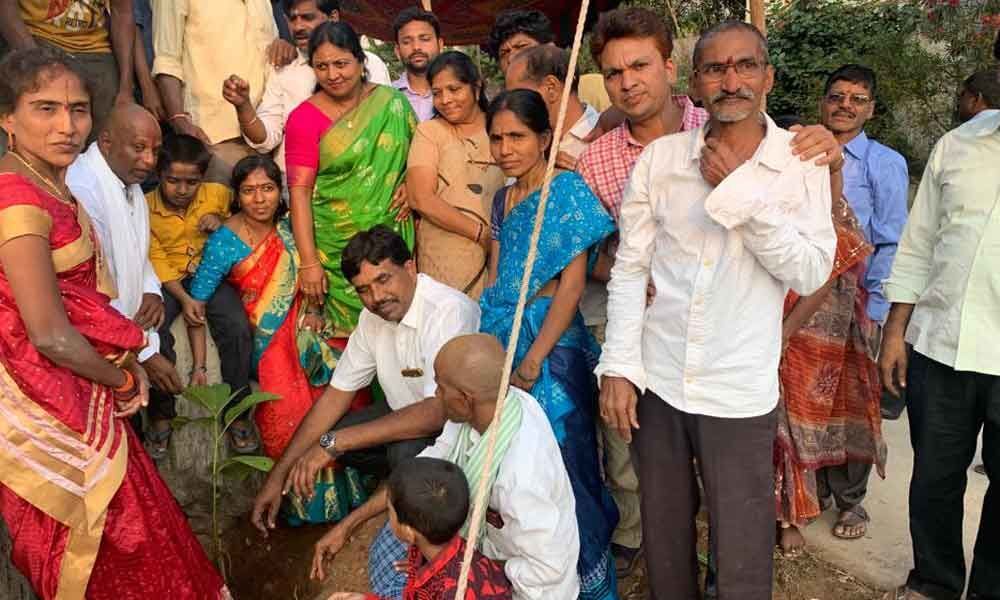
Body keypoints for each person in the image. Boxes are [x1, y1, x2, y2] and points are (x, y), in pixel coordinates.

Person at [596, 21, 838, 599]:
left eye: (745, 66)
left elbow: (810, 271)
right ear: (695, 83)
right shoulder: (661, 161)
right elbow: (630, 269)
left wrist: (739, 195)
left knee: (742, 545)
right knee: (665, 532)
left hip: (738, 387)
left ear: (768, 77)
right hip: (659, 379)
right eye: (715, 69)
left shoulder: (800, 162)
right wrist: (620, 366)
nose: (731, 82)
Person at [0, 46, 227, 600]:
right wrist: (125, 378)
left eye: (77, 110)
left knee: (136, 528)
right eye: (45, 109)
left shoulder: (51, 183)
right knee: (106, 541)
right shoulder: (15, 198)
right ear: (7, 118)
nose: (66, 126)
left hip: (78, 387)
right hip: (40, 398)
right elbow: (49, 333)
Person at [312, 334, 581, 599]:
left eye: (440, 388)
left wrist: (469, 569)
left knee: (399, 579)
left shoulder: (520, 478)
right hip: (488, 553)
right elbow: (421, 471)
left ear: (464, 399)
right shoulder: (486, 410)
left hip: (526, 586)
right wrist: (348, 525)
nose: (436, 395)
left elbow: (547, 569)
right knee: (389, 553)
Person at [250, 226, 480, 533]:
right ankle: (397, 484)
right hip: (404, 413)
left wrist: (334, 444)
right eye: (363, 290)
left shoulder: (447, 311)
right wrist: (278, 475)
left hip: (453, 428)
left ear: (410, 267)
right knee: (334, 434)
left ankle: (417, 511)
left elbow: (438, 412)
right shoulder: (373, 317)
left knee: (395, 451)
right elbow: (336, 396)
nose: (377, 297)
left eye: (383, 280)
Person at [480, 89, 618, 600]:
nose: (505, 149)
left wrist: (534, 358)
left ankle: (590, 580)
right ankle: (538, 576)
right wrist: (491, 344)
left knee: (569, 462)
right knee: (521, 464)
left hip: (552, 346)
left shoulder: (565, 191)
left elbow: (572, 287)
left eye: (517, 136)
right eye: (496, 138)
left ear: (544, 138)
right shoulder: (502, 199)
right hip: (502, 333)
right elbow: (497, 277)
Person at [189, 154, 367, 523]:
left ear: (279, 192)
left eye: (268, 189)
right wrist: (200, 365)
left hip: (306, 320)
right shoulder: (225, 240)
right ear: (237, 196)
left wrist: (314, 311)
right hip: (266, 335)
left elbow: (313, 274)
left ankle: (347, 495)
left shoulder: (293, 226)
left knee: (341, 379)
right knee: (288, 404)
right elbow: (199, 298)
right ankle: (301, 503)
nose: (259, 199)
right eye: (249, 191)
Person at [878, 74, 1000, 600]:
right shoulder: (958, 144)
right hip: (940, 345)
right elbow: (919, 243)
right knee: (934, 478)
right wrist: (895, 329)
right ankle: (934, 582)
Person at [774, 189, 887, 558]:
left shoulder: (828, 196)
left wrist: (876, 311)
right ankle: (790, 512)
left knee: (831, 415)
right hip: (773, 310)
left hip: (830, 320)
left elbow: (856, 249)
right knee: (779, 420)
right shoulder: (760, 192)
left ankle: (840, 502)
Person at [284, 21, 416, 336]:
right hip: (335, 248)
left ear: (360, 61)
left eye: (341, 64)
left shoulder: (392, 103)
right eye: (322, 67)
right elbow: (299, 193)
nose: (333, 75)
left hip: (393, 238)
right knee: (353, 342)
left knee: (404, 331)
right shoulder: (303, 119)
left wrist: (412, 184)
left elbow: (420, 158)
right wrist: (309, 262)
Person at [144, 133, 259, 458]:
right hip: (168, 282)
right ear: (159, 174)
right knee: (153, 332)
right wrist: (184, 299)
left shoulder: (218, 195)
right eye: (173, 181)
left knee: (237, 327)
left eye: (191, 182)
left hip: (211, 275)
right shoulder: (145, 206)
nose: (182, 190)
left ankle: (237, 413)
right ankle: (161, 415)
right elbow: (156, 258)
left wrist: (222, 220)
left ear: (203, 177)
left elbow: (243, 220)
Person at [820, 64, 909, 430]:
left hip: (856, 307)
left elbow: (890, 242)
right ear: (823, 103)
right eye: (837, 97)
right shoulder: (799, 152)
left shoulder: (884, 163)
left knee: (851, 411)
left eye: (857, 99)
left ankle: (847, 474)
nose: (845, 105)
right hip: (799, 300)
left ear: (870, 109)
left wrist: (875, 313)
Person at [223, 0, 392, 183]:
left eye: (307, 18)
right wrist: (243, 106)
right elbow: (265, 141)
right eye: (292, 19)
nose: (298, 27)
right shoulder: (283, 69)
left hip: (362, 180)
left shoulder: (369, 64)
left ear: (333, 17)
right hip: (296, 182)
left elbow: (385, 128)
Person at [327, 457, 513, 600]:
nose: (388, 517)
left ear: (408, 532)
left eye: (390, 511)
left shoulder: (446, 590)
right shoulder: (457, 551)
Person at [152, 0, 298, 183]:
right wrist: (178, 119)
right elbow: (167, 59)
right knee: (216, 200)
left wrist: (284, 47)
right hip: (215, 139)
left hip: (269, 138)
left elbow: (269, 49)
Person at [405, 51, 504, 299]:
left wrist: (494, 242)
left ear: (477, 88)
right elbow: (420, 198)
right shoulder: (430, 132)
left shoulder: (501, 129)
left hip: (502, 254)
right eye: (437, 93)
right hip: (444, 257)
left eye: (454, 89)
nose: (445, 100)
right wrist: (480, 234)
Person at [0, 0, 136, 138]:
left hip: (96, 51)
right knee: (28, 131)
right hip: (38, 40)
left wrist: (125, 89)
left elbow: (122, 13)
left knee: (102, 136)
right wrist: (35, 58)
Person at [487, 9, 610, 111]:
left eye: (521, 46)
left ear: (549, 49)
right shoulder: (506, 109)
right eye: (504, 53)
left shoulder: (593, 87)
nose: (512, 58)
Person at [505, 44, 600, 170]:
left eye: (518, 95)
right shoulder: (531, 145)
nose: (511, 106)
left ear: (551, 88)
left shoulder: (606, 137)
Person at [392, 7, 444, 122]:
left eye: (424, 39)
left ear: (440, 45)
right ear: (397, 51)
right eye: (406, 42)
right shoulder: (386, 97)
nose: (416, 47)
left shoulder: (456, 95)